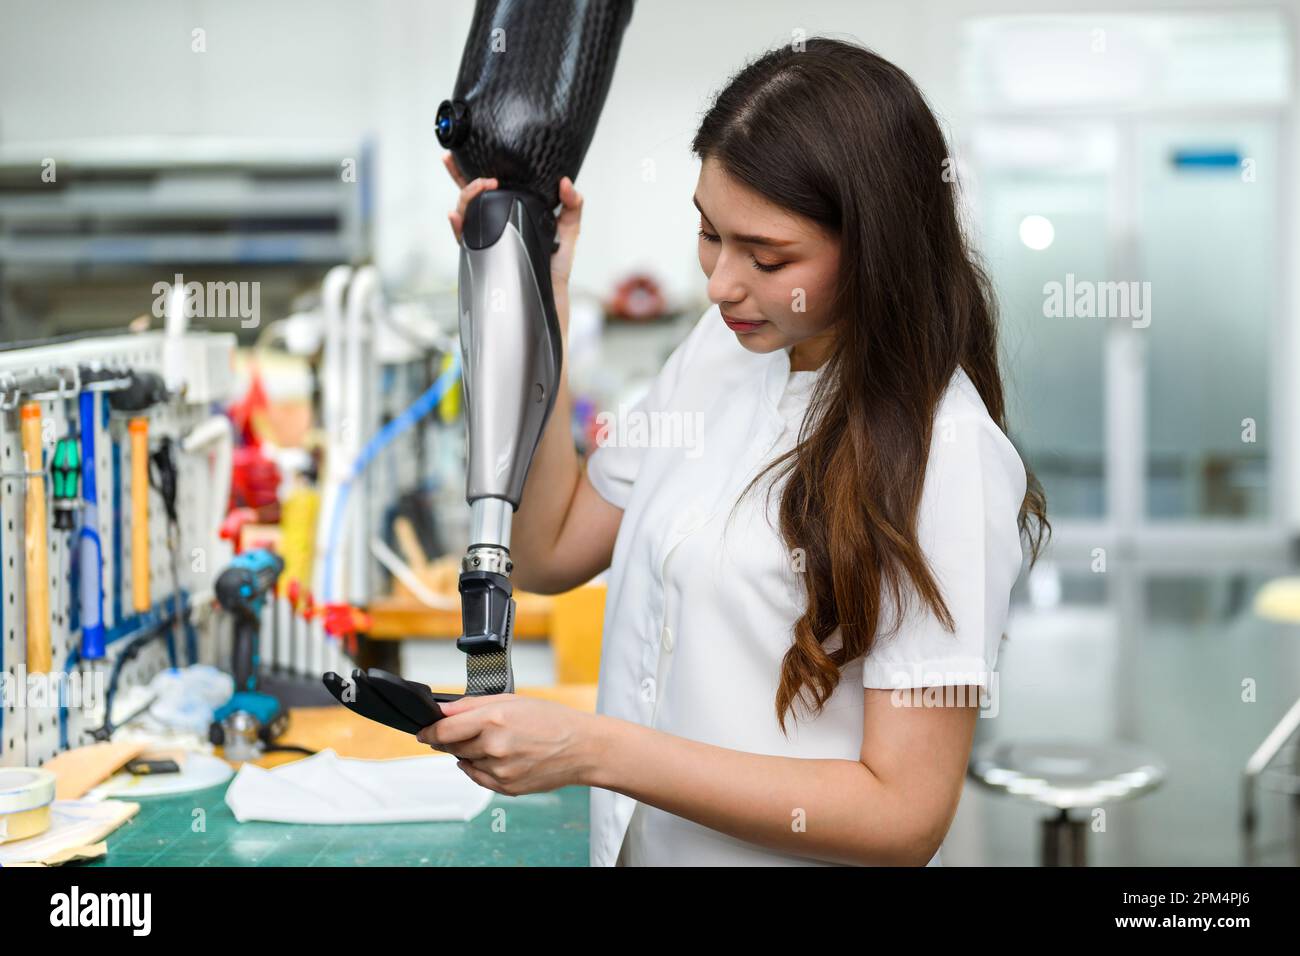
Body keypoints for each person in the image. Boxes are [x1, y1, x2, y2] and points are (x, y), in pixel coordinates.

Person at [421, 36, 1049, 866]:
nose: (719, 282)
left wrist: (595, 750)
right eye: (709, 233)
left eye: (767, 256)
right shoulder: (720, 355)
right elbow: (547, 547)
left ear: (876, 248)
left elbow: (905, 815)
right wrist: (539, 296)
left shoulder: (949, 455)